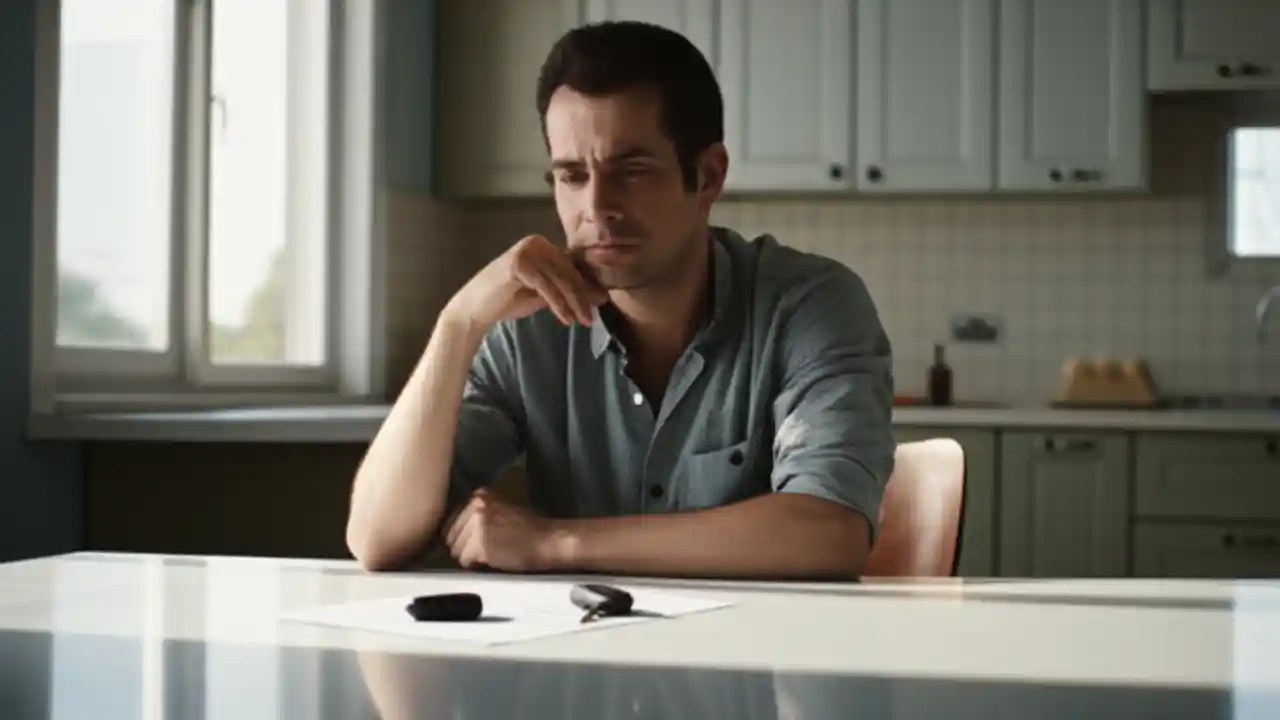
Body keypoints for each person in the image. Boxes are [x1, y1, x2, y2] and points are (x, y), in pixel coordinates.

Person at [345, 21, 894, 579]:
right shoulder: (525, 328)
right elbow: (375, 538)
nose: (596, 207)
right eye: (571, 175)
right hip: (582, 657)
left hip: (758, 656)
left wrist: (556, 542)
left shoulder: (810, 305)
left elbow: (831, 532)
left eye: (630, 172)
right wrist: (458, 323)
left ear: (707, 176)